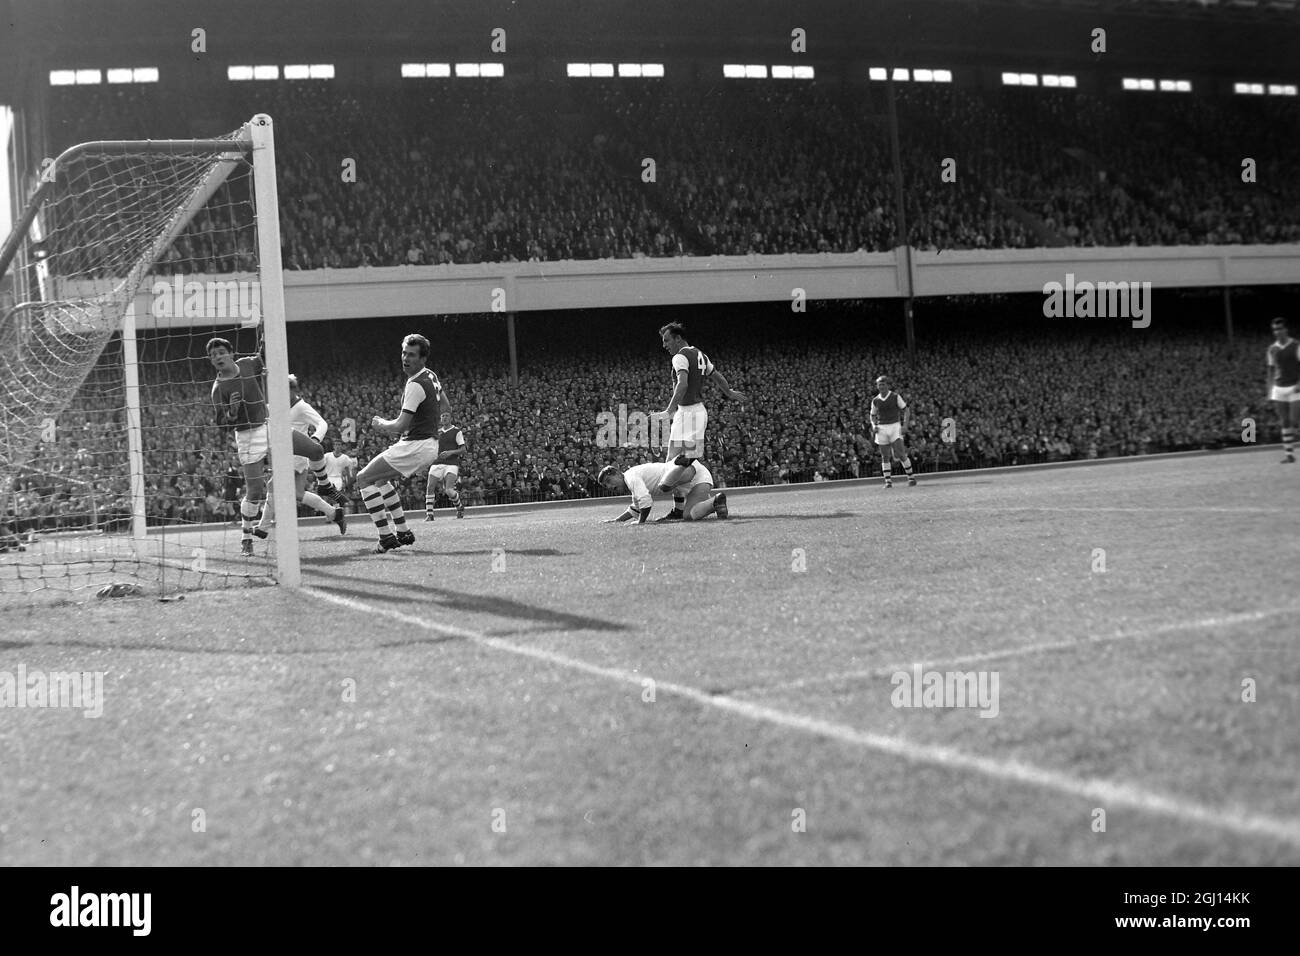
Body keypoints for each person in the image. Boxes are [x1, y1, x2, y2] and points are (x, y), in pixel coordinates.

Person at [207, 338, 345, 556]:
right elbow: (222, 425)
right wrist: (232, 413)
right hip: (247, 436)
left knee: (316, 450)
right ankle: (246, 539)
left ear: (231, 353)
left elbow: (264, 356)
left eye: (221, 352)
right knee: (255, 491)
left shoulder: (247, 364)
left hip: (269, 426)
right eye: (213, 355)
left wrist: (265, 337)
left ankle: (325, 485)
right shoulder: (219, 388)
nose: (217, 357)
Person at [355, 333, 451, 553]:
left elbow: (399, 425)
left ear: (423, 358)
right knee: (379, 481)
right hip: (426, 444)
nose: (406, 358)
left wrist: (380, 424)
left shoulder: (416, 385)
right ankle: (404, 532)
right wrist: (429, 426)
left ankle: (386, 537)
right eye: (404, 353)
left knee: (363, 478)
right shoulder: (431, 376)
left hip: (416, 445)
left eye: (412, 355)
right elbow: (446, 407)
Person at [652, 322, 746, 521]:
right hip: (689, 413)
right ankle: (679, 508)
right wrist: (728, 392)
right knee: (671, 464)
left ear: (678, 338)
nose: (664, 345)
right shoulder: (700, 354)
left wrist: (668, 410)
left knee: (681, 461)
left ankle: (694, 493)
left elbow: (682, 383)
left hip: (689, 413)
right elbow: (716, 375)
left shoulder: (680, 356)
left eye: (667, 340)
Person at [252, 375, 347, 539]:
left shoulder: (302, 407)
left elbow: (322, 423)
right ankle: (333, 513)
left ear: (293, 390)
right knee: (297, 493)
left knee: (272, 485)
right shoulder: (277, 405)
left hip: (296, 455)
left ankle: (263, 528)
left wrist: (315, 440)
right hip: (286, 454)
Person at [598, 460, 728, 523]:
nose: (609, 487)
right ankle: (679, 512)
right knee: (677, 492)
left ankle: (715, 501)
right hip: (692, 476)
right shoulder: (630, 477)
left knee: (689, 516)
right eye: (606, 485)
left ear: (617, 473)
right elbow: (636, 507)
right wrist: (618, 520)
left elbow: (645, 501)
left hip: (697, 477)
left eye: (609, 481)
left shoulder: (631, 477)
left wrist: (641, 522)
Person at [870, 375, 916, 488]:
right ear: (877, 386)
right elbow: (872, 415)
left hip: (894, 426)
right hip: (881, 428)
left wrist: (905, 425)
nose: (881, 386)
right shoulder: (875, 400)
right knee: (885, 456)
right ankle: (888, 482)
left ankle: (911, 477)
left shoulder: (895, 396)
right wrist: (873, 425)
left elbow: (906, 410)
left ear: (887, 385)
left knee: (900, 453)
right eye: (879, 384)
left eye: (883, 384)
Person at [1266, 316, 1299, 464]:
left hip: (1295, 387)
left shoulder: (1296, 345)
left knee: (1294, 419)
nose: (1277, 332)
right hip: (1279, 388)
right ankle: (1289, 454)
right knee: (1285, 421)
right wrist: (1269, 389)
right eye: (1274, 329)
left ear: (1286, 329)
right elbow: (1271, 370)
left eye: (1279, 329)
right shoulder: (1272, 349)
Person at [424, 412, 467, 520]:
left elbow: (463, 450)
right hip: (437, 462)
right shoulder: (437, 432)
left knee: (448, 490)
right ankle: (430, 515)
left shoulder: (457, 431)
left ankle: (459, 507)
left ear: (451, 418)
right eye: (442, 416)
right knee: (430, 487)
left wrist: (450, 452)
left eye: (446, 416)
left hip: (451, 463)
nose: (444, 418)